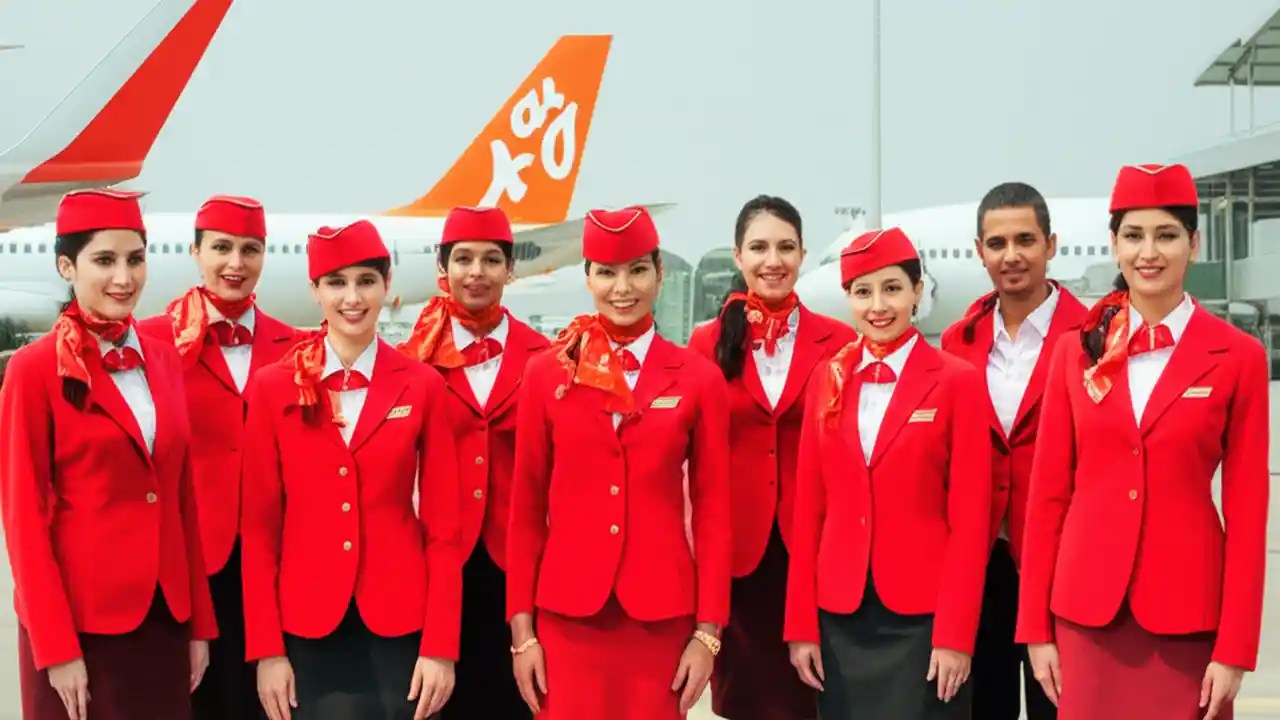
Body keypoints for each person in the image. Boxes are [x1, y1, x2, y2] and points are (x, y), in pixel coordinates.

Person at [1017, 163, 1270, 720]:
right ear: (1113, 244)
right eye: (1133, 236)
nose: (1148, 252)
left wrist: (1235, 649)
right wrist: (1036, 629)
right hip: (1086, 618)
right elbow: (1048, 497)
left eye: (1166, 235)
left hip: (1188, 622)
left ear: (1194, 244)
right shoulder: (1073, 352)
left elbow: (1249, 514)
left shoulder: (1238, 357)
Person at [505, 206, 732, 720]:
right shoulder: (545, 375)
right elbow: (524, 511)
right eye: (606, 272)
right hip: (566, 621)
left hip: (661, 621)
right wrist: (522, 634)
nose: (621, 287)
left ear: (659, 272)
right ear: (587, 277)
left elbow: (715, 512)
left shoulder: (697, 378)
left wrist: (708, 633)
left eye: (636, 270)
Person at [0, 188, 217, 720]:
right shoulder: (32, 370)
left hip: (164, 618)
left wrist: (199, 628)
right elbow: (24, 518)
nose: (124, 278)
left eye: (135, 259)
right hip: (81, 628)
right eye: (104, 260)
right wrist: (55, 647)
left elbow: (181, 501)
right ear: (66, 266)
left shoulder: (164, 359)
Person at [240, 219, 462, 720]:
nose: (352, 297)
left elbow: (445, 529)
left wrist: (441, 645)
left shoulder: (422, 385)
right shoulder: (272, 388)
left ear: (387, 286)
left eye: (366, 281)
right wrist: (267, 650)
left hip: (402, 622)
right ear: (315, 291)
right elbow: (258, 529)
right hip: (307, 625)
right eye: (336, 283)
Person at [784, 227, 992, 720]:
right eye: (863, 292)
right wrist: (800, 626)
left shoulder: (957, 382)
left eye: (893, 288)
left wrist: (957, 637)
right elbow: (808, 509)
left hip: (923, 620)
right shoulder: (826, 379)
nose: (878, 305)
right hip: (839, 615)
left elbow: (970, 521)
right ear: (848, 298)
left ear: (918, 292)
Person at [687, 195, 855, 720]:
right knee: (746, 701)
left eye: (785, 247)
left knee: (817, 698)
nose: (772, 260)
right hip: (741, 557)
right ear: (738, 256)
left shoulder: (841, 341)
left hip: (818, 550)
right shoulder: (707, 344)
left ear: (804, 253)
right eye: (758, 247)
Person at [138, 194, 301, 720]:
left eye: (250, 250)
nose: (236, 263)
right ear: (195, 252)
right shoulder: (154, 343)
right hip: (188, 562)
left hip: (275, 563)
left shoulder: (296, 347)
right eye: (222, 248)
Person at [939, 182, 1088, 720]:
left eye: (1025, 239)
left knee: (1062, 706)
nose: (1012, 255)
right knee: (984, 708)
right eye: (997, 243)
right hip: (981, 563)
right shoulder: (958, 341)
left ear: (1051, 244)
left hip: (1062, 559)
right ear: (979, 252)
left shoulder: (1096, 337)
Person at [397, 205, 549, 719]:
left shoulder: (546, 358)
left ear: (511, 269)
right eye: (463, 259)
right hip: (436, 565)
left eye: (490, 260)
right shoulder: (414, 360)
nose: (476, 272)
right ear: (444, 269)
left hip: (520, 566)